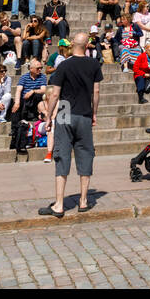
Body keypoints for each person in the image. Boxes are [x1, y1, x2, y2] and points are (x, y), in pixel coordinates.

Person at [40, 32, 102, 217]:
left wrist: (49, 116)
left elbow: (55, 94)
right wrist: (94, 113)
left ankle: (59, 204)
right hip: (84, 112)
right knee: (85, 154)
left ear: (73, 43)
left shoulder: (64, 65)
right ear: (86, 45)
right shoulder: (93, 64)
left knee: (62, 155)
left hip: (66, 110)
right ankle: (83, 201)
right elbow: (96, 91)